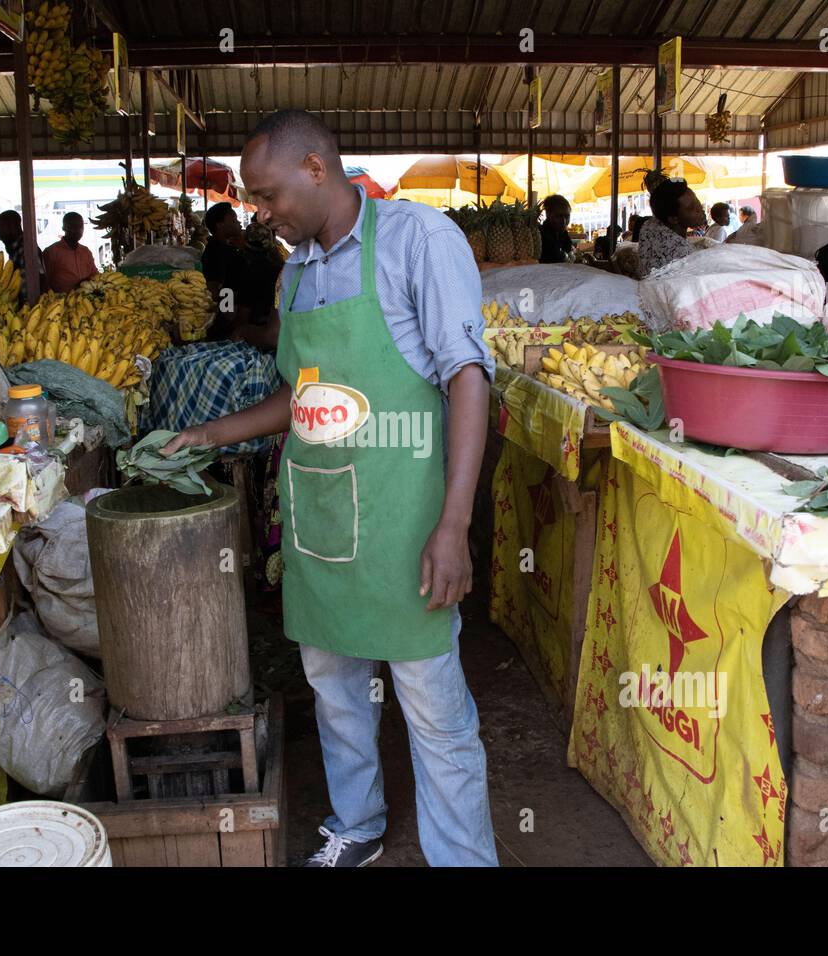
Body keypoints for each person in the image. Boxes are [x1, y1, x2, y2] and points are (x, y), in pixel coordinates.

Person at [161, 109, 497, 868]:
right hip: (319, 515)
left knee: (432, 706)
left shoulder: (418, 240)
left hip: (405, 515)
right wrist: (209, 435)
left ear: (316, 168)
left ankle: (464, 857)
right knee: (336, 689)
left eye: (268, 192)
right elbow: (301, 394)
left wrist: (453, 525)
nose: (260, 211)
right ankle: (359, 822)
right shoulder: (298, 271)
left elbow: (467, 379)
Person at [230, 217, 285, 350]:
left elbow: (244, 313)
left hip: (259, 336)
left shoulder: (248, 269)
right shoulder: (280, 266)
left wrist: (240, 331)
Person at [637, 179, 708, 277]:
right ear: (674, 219)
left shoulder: (650, 225)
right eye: (691, 207)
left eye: (697, 200)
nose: (700, 208)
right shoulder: (684, 254)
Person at [201, 202, 249, 314]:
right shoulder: (216, 252)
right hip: (229, 316)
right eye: (234, 220)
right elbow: (214, 290)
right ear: (220, 225)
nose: (239, 223)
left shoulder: (227, 248)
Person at [42, 212, 98, 294]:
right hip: (60, 302)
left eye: (80, 226)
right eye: (73, 226)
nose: (77, 230)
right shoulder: (52, 252)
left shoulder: (86, 252)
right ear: (64, 227)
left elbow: (95, 275)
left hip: (87, 300)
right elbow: (45, 282)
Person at [0, 209, 45, 302]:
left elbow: (41, 278)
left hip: (30, 307)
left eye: (0, 229)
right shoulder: (15, 249)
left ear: (12, 227)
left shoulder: (26, 250)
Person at [538, 194, 574, 263]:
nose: (564, 221)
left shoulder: (564, 234)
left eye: (567, 216)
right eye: (558, 216)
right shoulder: (540, 236)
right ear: (548, 214)